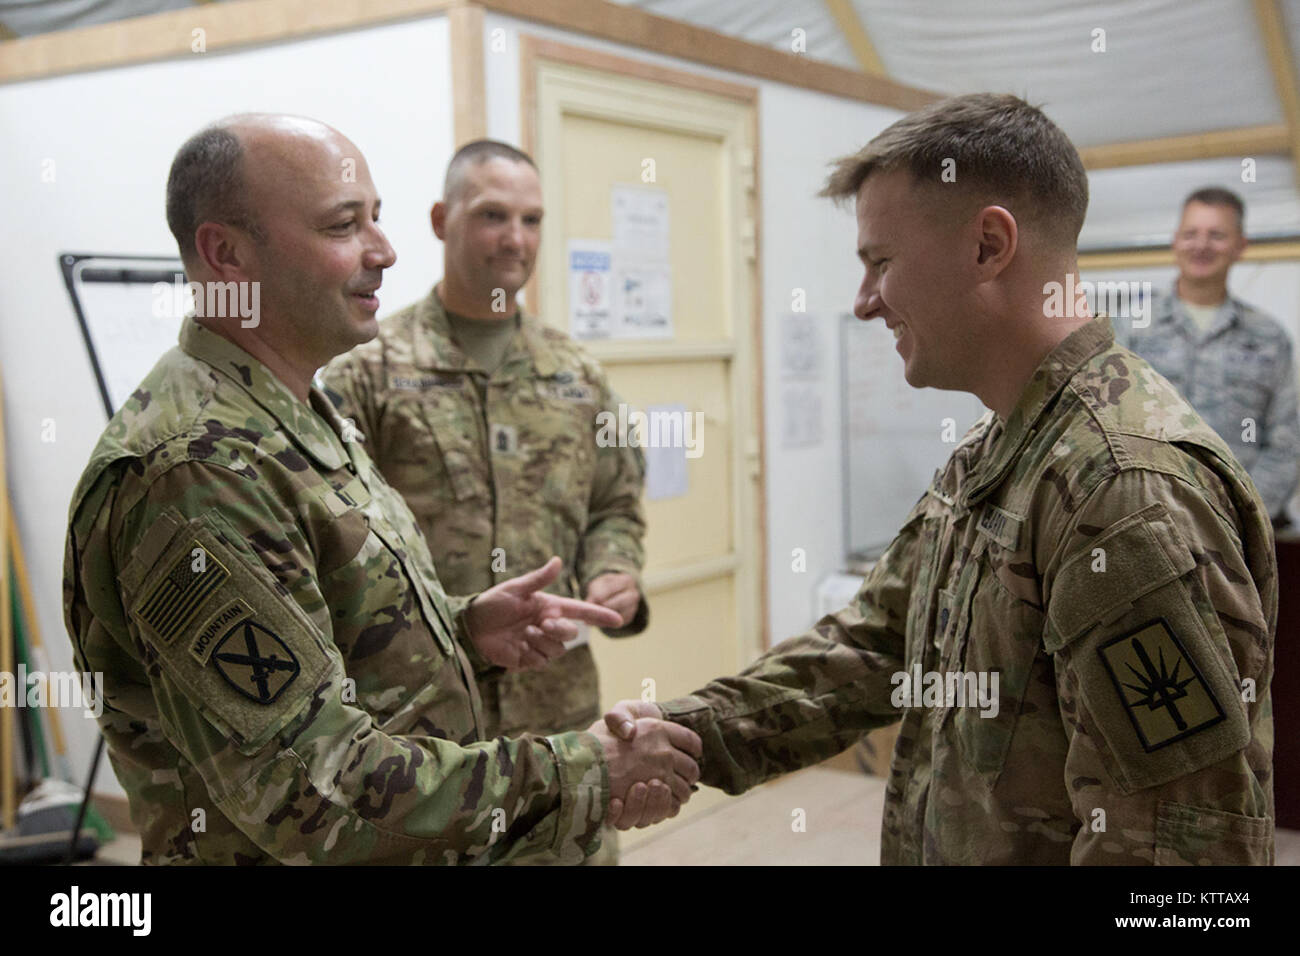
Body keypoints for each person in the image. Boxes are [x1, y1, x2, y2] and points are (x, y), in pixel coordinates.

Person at [605, 94, 1276, 865]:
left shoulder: (1122, 493)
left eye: (880, 263)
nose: (864, 304)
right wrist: (680, 734)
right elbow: (875, 649)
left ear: (989, 246)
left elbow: (1183, 861)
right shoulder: (1002, 452)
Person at [62, 114, 699, 865]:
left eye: (376, 219)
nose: (384, 251)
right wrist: (588, 766)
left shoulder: (296, 410)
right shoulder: (201, 472)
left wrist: (463, 632)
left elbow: (327, 635)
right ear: (226, 255)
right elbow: (310, 793)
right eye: (343, 226)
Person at [321, 141, 649, 862]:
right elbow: (329, 541)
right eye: (493, 215)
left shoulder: (577, 375)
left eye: (531, 219)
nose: (516, 239)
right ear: (441, 220)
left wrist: (615, 569)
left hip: (556, 712)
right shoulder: (369, 371)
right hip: (421, 728)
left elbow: (616, 504)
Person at [1116, 187, 1299, 527]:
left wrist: (1244, 513)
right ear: (1175, 242)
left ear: (1240, 246)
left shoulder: (1268, 337)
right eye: (1190, 234)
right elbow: (1108, 424)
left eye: (1216, 235)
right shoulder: (1132, 326)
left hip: (1240, 532)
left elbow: (1287, 440)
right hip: (1145, 521)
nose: (1201, 245)